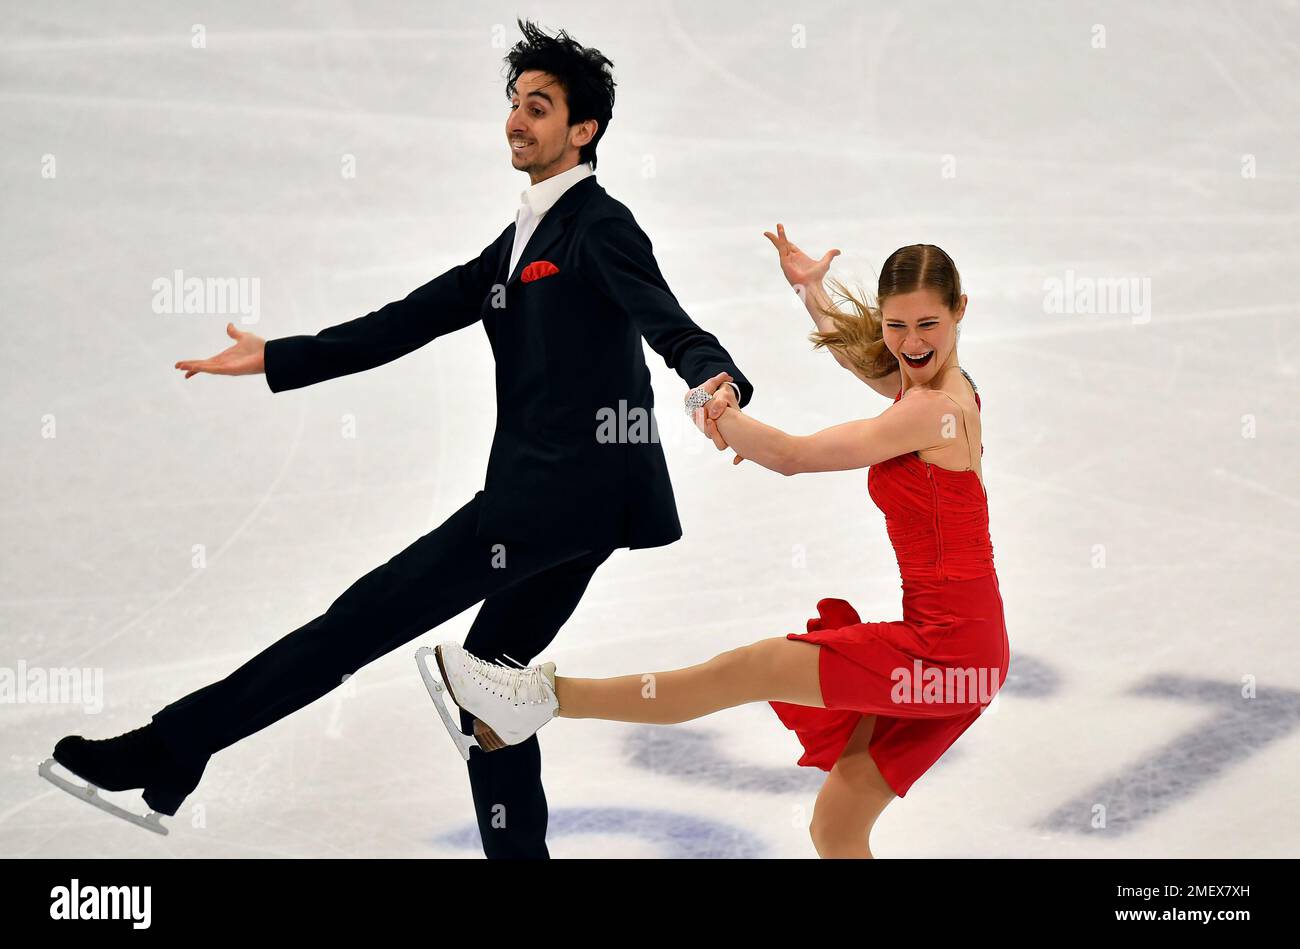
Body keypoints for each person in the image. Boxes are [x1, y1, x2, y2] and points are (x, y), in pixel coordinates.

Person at [40, 19, 751, 858]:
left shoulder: (598, 225)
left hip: (552, 502)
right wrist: (277, 356)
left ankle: (172, 748)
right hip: (573, 505)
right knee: (494, 691)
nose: (518, 120)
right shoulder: (521, 237)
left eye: (541, 106)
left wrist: (713, 376)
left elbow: (661, 316)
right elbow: (405, 322)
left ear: (582, 130)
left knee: (354, 625)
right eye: (515, 103)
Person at [425, 232, 1010, 858]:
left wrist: (713, 405)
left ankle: (536, 701)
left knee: (746, 670)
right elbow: (868, 362)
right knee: (837, 831)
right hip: (970, 656)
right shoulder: (942, 384)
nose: (911, 343)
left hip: (945, 652)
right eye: (896, 325)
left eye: (928, 324)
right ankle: (531, 705)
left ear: (960, 311)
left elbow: (792, 456)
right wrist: (811, 291)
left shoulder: (930, 412)